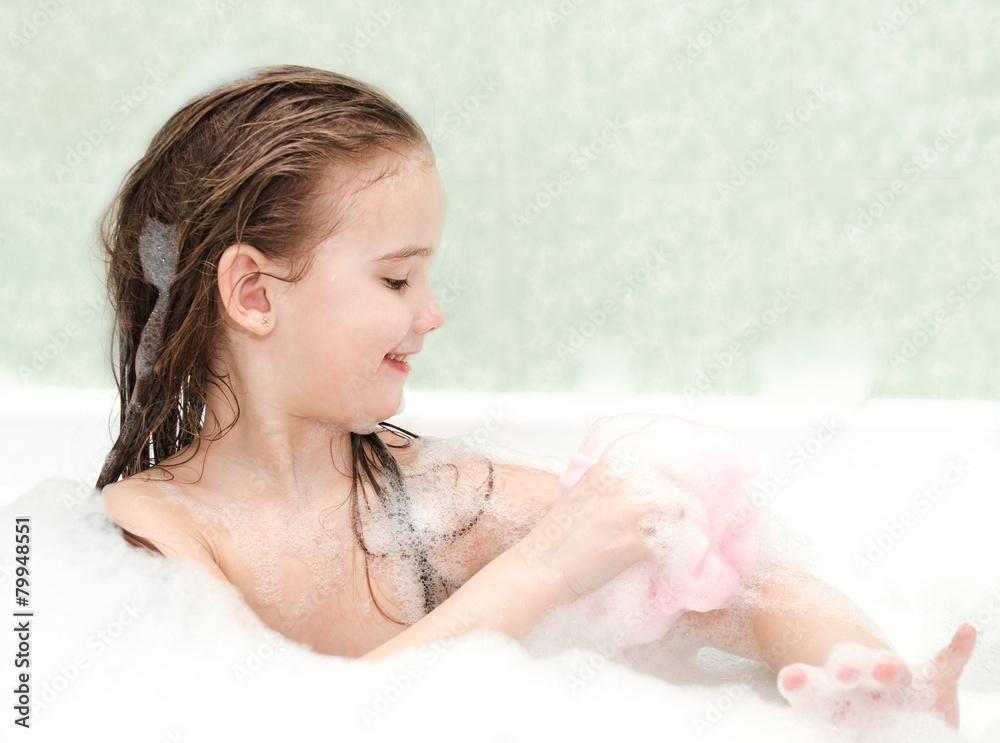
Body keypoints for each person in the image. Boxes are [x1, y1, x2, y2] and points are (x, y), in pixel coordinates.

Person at [97, 64, 974, 727]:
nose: (432, 313)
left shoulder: (435, 500)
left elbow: (763, 598)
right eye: (398, 278)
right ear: (254, 294)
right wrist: (545, 566)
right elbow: (292, 725)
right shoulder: (145, 537)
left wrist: (878, 689)